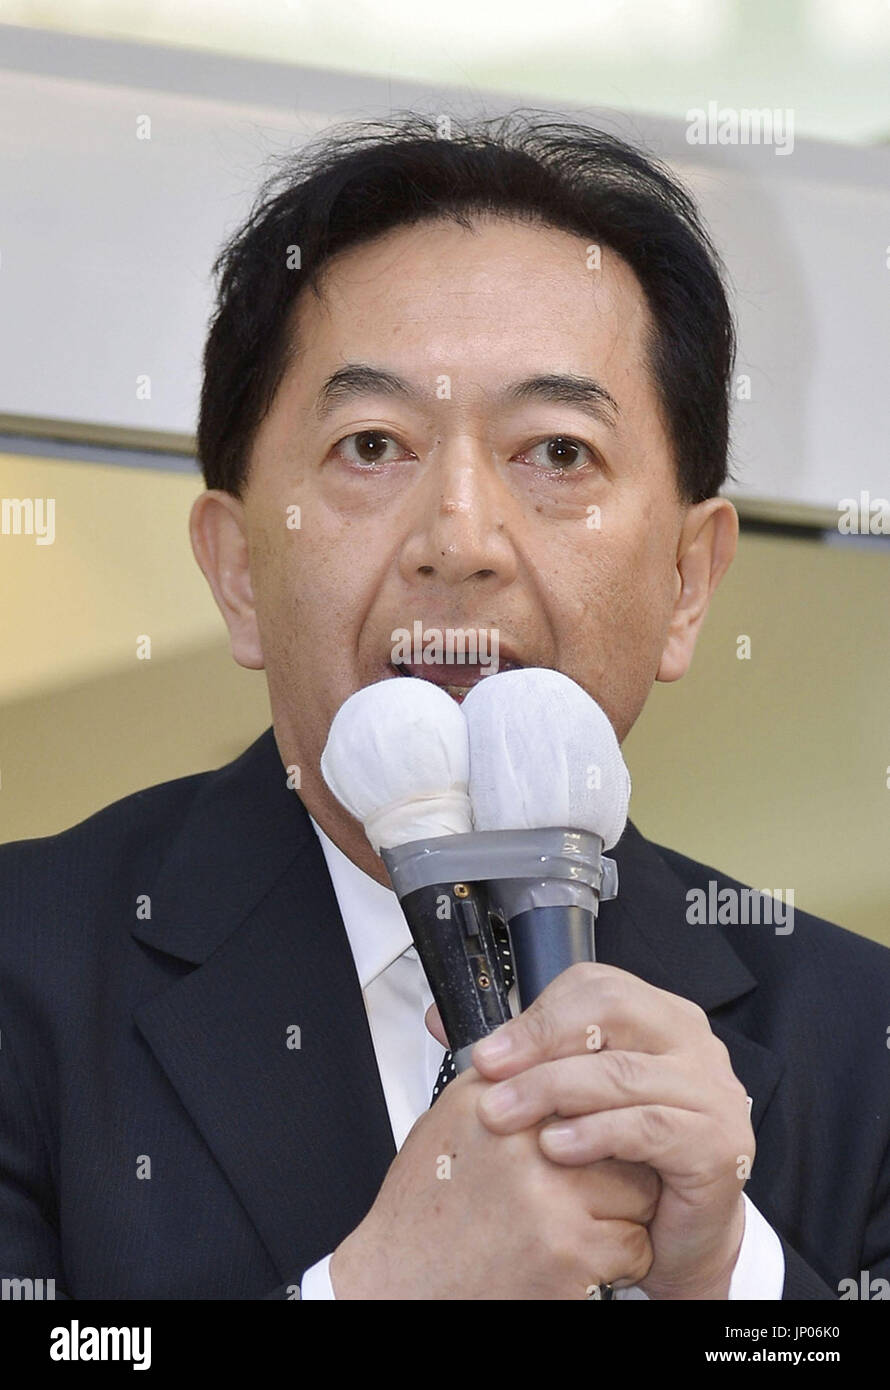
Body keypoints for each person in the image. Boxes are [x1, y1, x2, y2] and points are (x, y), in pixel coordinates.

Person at [1, 111, 887, 1301]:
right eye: (372, 443)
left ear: (689, 582)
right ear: (235, 569)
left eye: (556, 453)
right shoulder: (27, 976)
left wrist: (724, 1279)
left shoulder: (860, 1041)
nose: (459, 537)